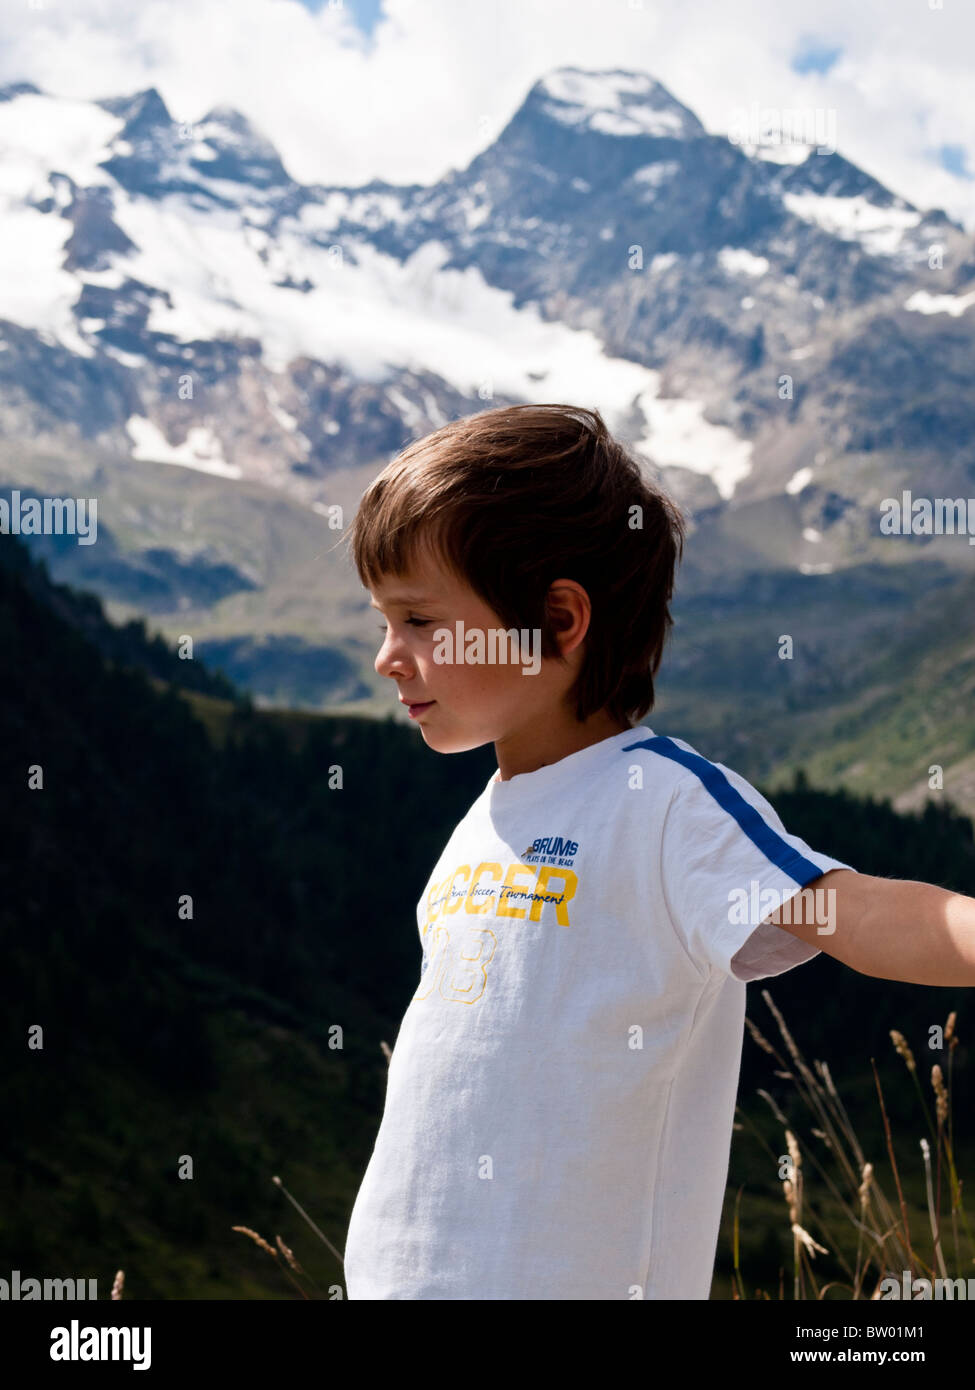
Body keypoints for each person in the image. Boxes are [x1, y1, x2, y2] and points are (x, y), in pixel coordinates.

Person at [339, 402, 975, 1300]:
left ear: (558, 620)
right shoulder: (477, 825)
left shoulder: (666, 804)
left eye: (419, 622)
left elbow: (855, 910)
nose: (387, 658)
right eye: (381, 622)